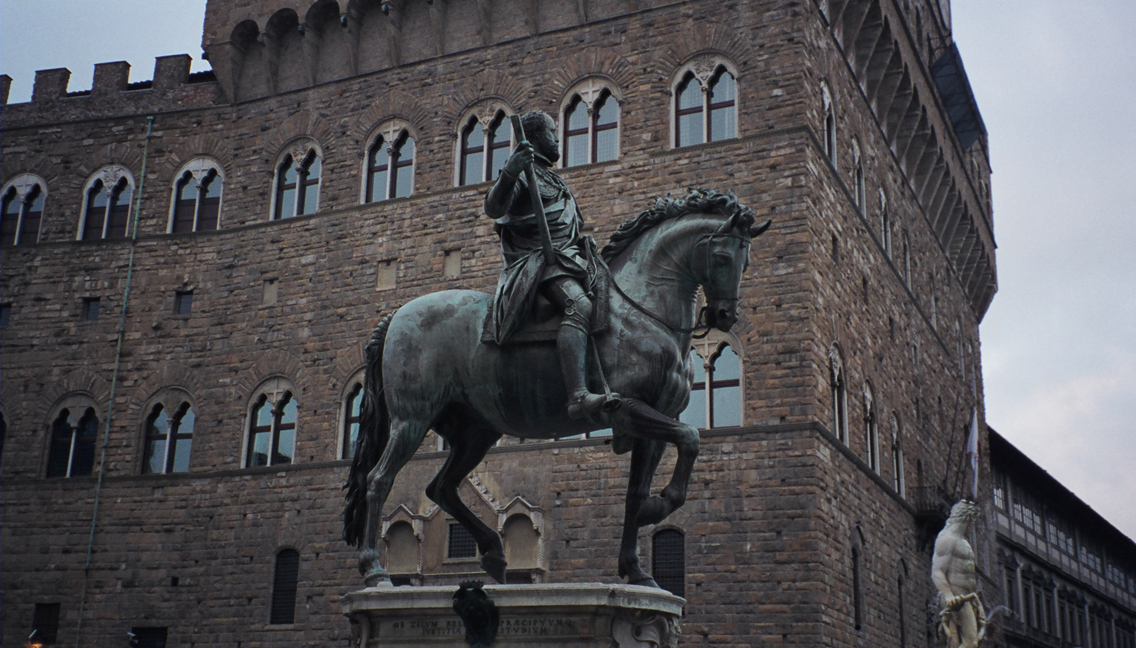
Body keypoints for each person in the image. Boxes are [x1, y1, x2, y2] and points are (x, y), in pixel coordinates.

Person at [483, 110, 616, 419]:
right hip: (539, 263)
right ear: (536, 137)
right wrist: (510, 173)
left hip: (569, 259)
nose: (558, 138)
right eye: (553, 132)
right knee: (580, 306)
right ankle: (577, 396)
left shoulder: (553, 179)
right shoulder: (522, 172)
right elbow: (493, 207)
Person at [931, 499, 987, 648]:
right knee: (971, 643)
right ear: (968, 518)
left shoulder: (963, 541)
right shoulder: (947, 538)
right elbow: (937, 571)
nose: (972, 527)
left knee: (956, 643)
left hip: (968, 597)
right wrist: (949, 597)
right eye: (973, 522)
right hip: (957, 597)